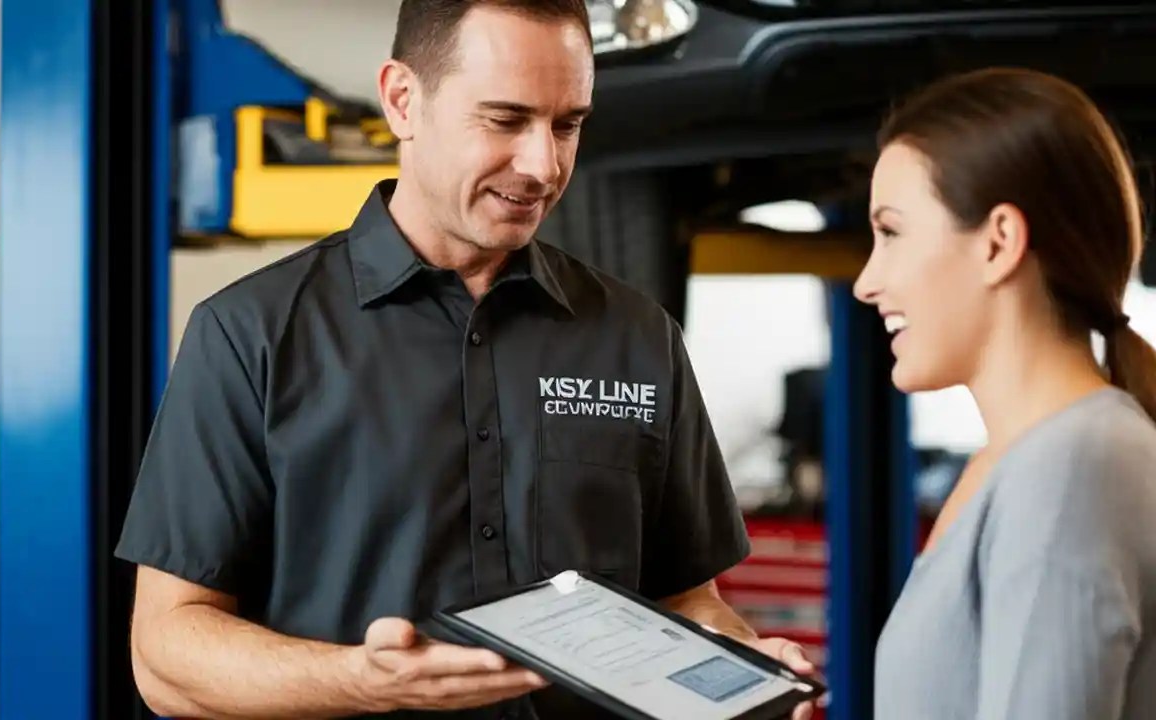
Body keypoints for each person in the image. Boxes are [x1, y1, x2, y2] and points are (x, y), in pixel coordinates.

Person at [115, 1, 816, 718]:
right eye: (505, 120)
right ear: (402, 100)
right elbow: (166, 652)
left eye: (567, 124)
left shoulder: (639, 338)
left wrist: (735, 663)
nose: (543, 164)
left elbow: (688, 598)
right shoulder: (252, 335)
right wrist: (360, 679)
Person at [856, 67, 1156, 719]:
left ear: (998, 243)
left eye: (892, 232)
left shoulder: (1073, 467)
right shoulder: (1021, 462)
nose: (866, 282)